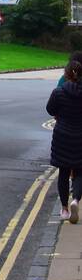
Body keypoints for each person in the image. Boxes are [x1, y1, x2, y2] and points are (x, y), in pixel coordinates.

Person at [46, 61, 82, 223]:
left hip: (62, 136)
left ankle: (65, 209)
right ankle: (75, 200)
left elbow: (50, 110)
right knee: (80, 171)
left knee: (64, 172)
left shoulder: (58, 92)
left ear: (66, 74)